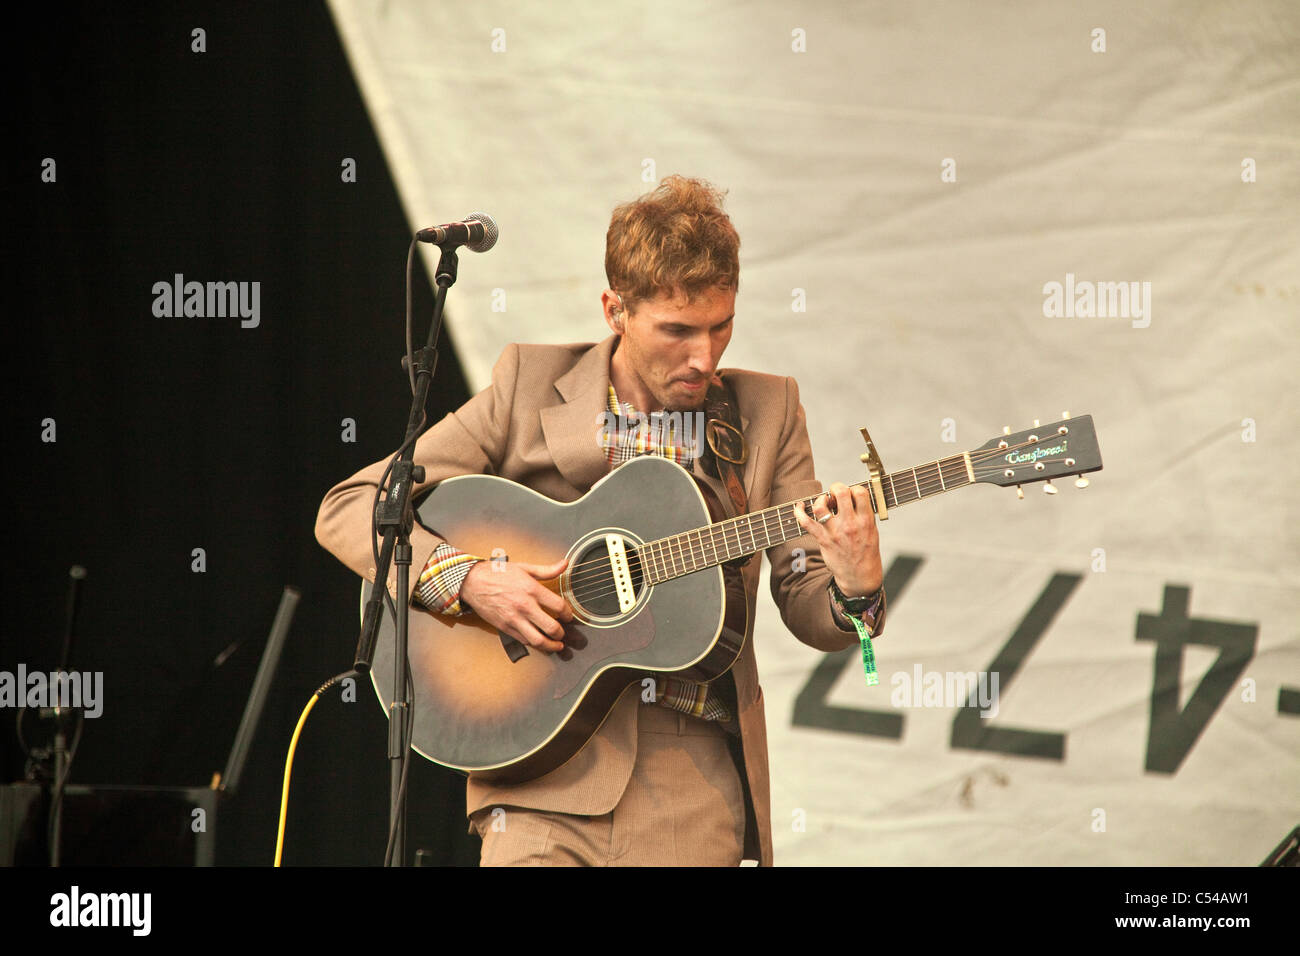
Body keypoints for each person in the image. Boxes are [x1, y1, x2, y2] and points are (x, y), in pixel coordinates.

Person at [315, 175, 887, 866]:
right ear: (615, 309)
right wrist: (468, 581)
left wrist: (854, 586)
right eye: (677, 330)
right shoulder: (529, 384)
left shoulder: (768, 412)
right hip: (538, 773)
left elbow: (807, 605)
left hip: (689, 784)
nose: (705, 357)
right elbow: (352, 506)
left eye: (720, 325)